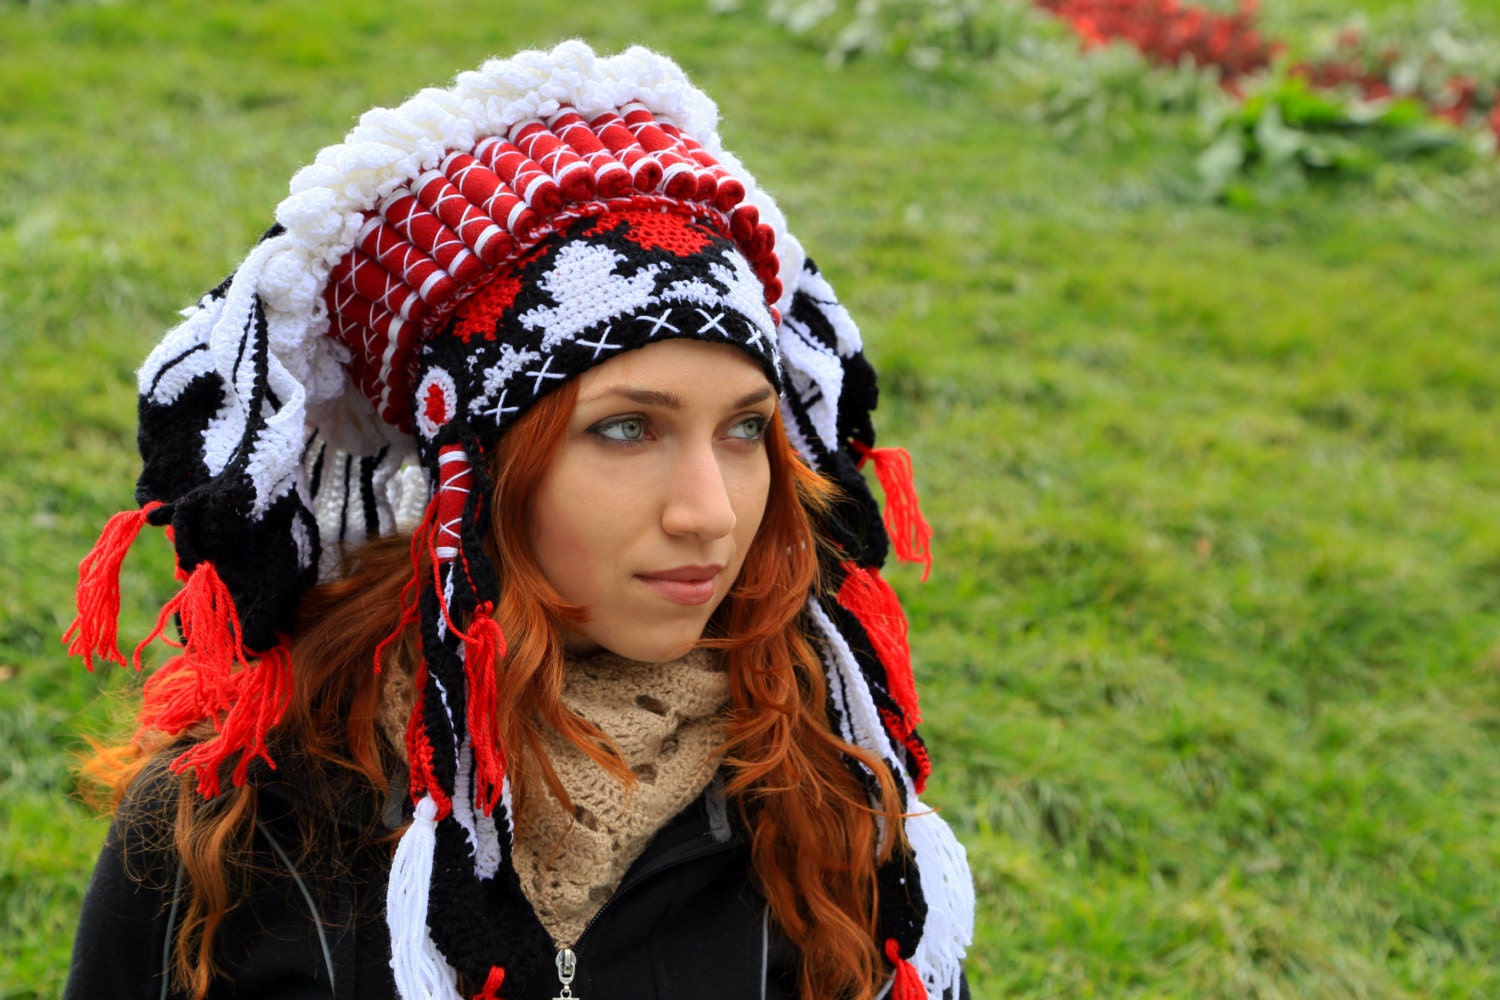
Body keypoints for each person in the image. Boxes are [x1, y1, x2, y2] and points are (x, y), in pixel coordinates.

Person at [62, 41, 974, 1000]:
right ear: (479, 473)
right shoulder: (245, 809)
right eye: (626, 429)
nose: (710, 513)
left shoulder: (833, 783)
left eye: (745, 429)